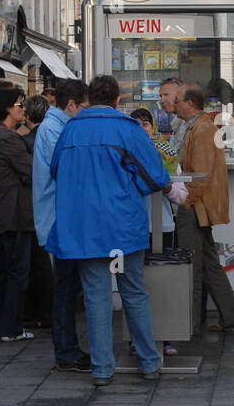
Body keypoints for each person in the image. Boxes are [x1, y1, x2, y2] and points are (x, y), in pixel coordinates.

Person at [49, 75, 182, 386]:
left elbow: (56, 171)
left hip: (84, 228)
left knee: (96, 297)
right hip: (122, 227)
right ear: (118, 100)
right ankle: (150, 362)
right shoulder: (128, 130)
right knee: (133, 292)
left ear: (89, 98)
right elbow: (153, 175)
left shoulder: (69, 130)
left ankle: (102, 369)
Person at [173, 84, 234, 337]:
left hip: (194, 207)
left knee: (191, 267)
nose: (173, 104)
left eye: (177, 100)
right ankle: (231, 316)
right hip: (198, 207)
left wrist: (185, 201)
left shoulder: (201, 128)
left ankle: (188, 324)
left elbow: (199, 176)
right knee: (209, 265)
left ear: (190, 103)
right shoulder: (198, 125)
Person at [34, 79, 91, 372]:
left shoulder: (57, 126)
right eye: (84, 107)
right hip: (61, 220)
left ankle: (68, 349)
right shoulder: (56, 130)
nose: (86, 112)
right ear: (71, 105)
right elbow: (68, 173)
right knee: (67, 288)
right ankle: (66, 351)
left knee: (69, 287)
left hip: (61, 218)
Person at [0, 86, 35, 343]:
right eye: (19, 105)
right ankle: (10, 328)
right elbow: (32, 171)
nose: (23, 109)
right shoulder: (9, 139)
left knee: (4, 271)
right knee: (16, 272)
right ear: (7, 109)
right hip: (12, 213)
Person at [20, 94, 55, 330]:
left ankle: (38, 312)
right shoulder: (52, 135)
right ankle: (47, 312)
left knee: (37, 265)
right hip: (51, 210)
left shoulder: (24, 141)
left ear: (27, 114)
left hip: (31, 209)